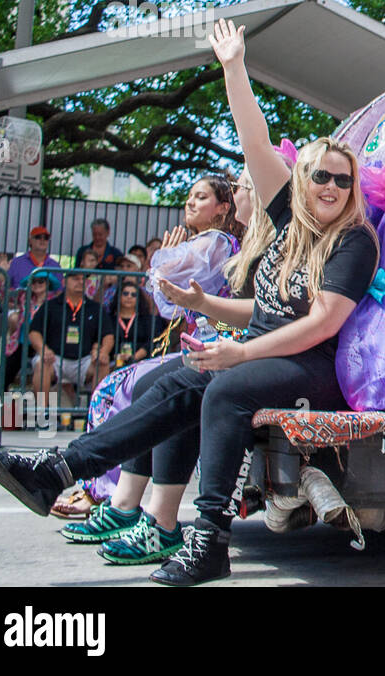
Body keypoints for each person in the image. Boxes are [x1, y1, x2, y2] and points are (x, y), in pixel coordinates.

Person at [0, 17, 378, 586]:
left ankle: (209, 538)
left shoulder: (354, 240)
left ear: (352, 186)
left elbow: (322, 323)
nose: (331, 186)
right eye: (319, 175)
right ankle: (59, 470)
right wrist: (234, 67)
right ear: (302, 180)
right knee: (164, 382)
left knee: (226, 387)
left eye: (342, 179)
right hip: (266, 353)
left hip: (313, 367)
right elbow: (253, 143)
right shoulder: (289, 220)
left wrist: (239, 356)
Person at [51, 174, 245, 532]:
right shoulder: (200, 243)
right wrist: (162, 265)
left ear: (222, 207)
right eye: (189, 195)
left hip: (217, 348)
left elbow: (168, 286)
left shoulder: (216, 242)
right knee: (120, 386)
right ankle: (116, 498)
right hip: (202, 347)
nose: (190, 202)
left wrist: (160, 263)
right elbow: (168, 306)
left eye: (200, 197)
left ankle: (112, 497)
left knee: (130, 387)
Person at [28, 270, 103, 407]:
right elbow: (34, 332)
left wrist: (100, 350)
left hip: (84, 359)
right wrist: (43, 349)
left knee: (102, 362)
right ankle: (42, 413)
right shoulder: (50, 305)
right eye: (75, 279)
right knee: (41, 363)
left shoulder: (95, 307)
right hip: (55, 358)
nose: (80, 282)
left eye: (83, 279)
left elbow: (107, 335)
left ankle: (98, 413)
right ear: (64, 282)